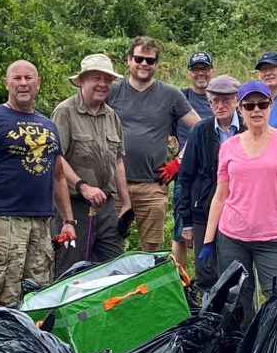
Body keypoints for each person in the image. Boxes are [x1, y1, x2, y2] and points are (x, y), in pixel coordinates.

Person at [200, 80, 277, 353]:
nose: (256, 110)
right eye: (249, 105)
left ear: (270, 106)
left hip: (272, 237)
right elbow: (220, 196)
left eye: (262, 104)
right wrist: (208, 242)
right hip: (232, 237)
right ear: (240, 108)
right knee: (238, 304)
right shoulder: (230, 147)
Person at [0, 61, 77, 309]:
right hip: (5, 220)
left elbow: (57, 175)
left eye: (28, 78)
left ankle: (28, 345)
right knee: (1, 292)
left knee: (38, 292)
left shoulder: (49, 125)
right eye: (17, 78)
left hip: (42, 222)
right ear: (7, 83)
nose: (23, 83)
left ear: (38, 83)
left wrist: (68, 221)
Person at [107, 38, 195, 255]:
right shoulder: (112, 92)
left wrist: (179, 160)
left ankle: (147, 288)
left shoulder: (170, 94)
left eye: (150, 60)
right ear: (128, 60)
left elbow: (200, 127)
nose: (144, 64)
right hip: (114, 184)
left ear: (157, 64)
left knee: (151, 250)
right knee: (110, 246)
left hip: (152, 186)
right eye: (138, 59)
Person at [52, 53, 131, 274]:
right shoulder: (65, 112)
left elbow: (118, 160)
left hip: (106, 207)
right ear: (83, 80)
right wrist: (83, 187)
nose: (103, 84)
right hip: (73, 206)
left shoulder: (111, 116)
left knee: (115, 269)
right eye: (96, 78)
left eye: (107, 79)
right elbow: (56, 158)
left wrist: (125, 202)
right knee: (70, 270)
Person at [176, 73, 242, 267]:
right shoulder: (200, 130)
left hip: (240, 209)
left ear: (237, 100)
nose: (220, 106)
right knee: (206, 270)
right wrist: (187, 221)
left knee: (238, 268)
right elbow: (186, 176)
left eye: (226, 100)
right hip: (203, 209)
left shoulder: (247, 128)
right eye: (215, 101)